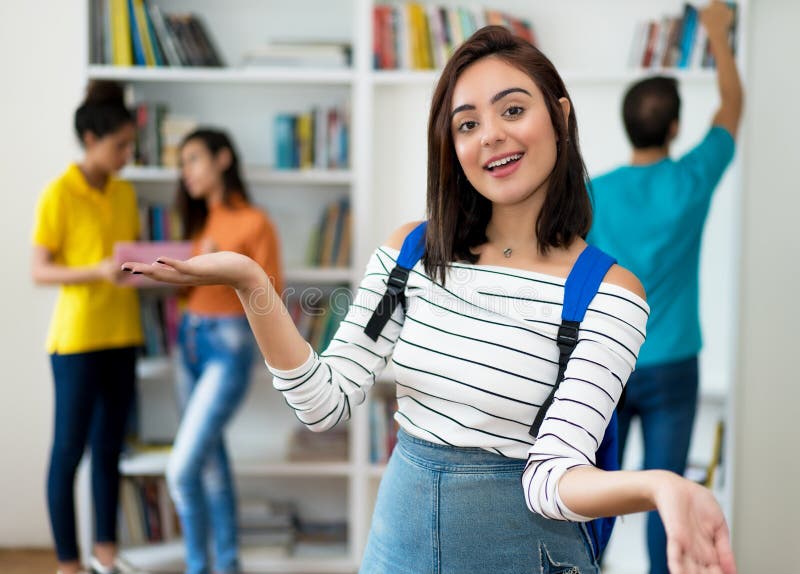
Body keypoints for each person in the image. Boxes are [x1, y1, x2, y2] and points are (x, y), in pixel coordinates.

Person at [122, 27, 737, 574]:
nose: (490, 135)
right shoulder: (411, 254)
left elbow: (552, 480)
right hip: (398, 540)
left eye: (512, 110)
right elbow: (325, 403)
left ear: (560, 117)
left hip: (524, 552)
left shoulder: (609, 294)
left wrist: (660, 486)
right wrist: (252, 283)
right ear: (451, 145)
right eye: (467, 123)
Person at [587, 3, 743, 572]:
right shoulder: (690, 180)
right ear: (675, 127)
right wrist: (719, 37)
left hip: (606, 362)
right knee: (666, 500)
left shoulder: (592, 194)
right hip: (674, 365)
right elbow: (732, 107)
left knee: (594, 497)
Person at [31, 81, 146, 574]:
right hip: (76, 342)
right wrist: (94, 271)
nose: (127, 153)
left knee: (109, 451)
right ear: (91, 139)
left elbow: (129, 258)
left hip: (123, 336)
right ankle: (68, 564)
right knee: (68, 451)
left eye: (129, 144)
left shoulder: (125, 193)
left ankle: (105, 555)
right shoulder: (59, 193)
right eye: (120, 144)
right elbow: (39, 270)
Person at [165, 128, 283, 574]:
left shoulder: (255, 222)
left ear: (224, 159)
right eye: (182, 163)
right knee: (210, 464)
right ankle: (226, 566)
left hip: (228, 345)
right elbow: (187, 294)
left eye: (193, 159)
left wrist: (225, 269)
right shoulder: (196, 223)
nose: (186, 171)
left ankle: (200, 567)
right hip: (188, 341)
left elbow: (271, 295)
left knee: (182, 470)